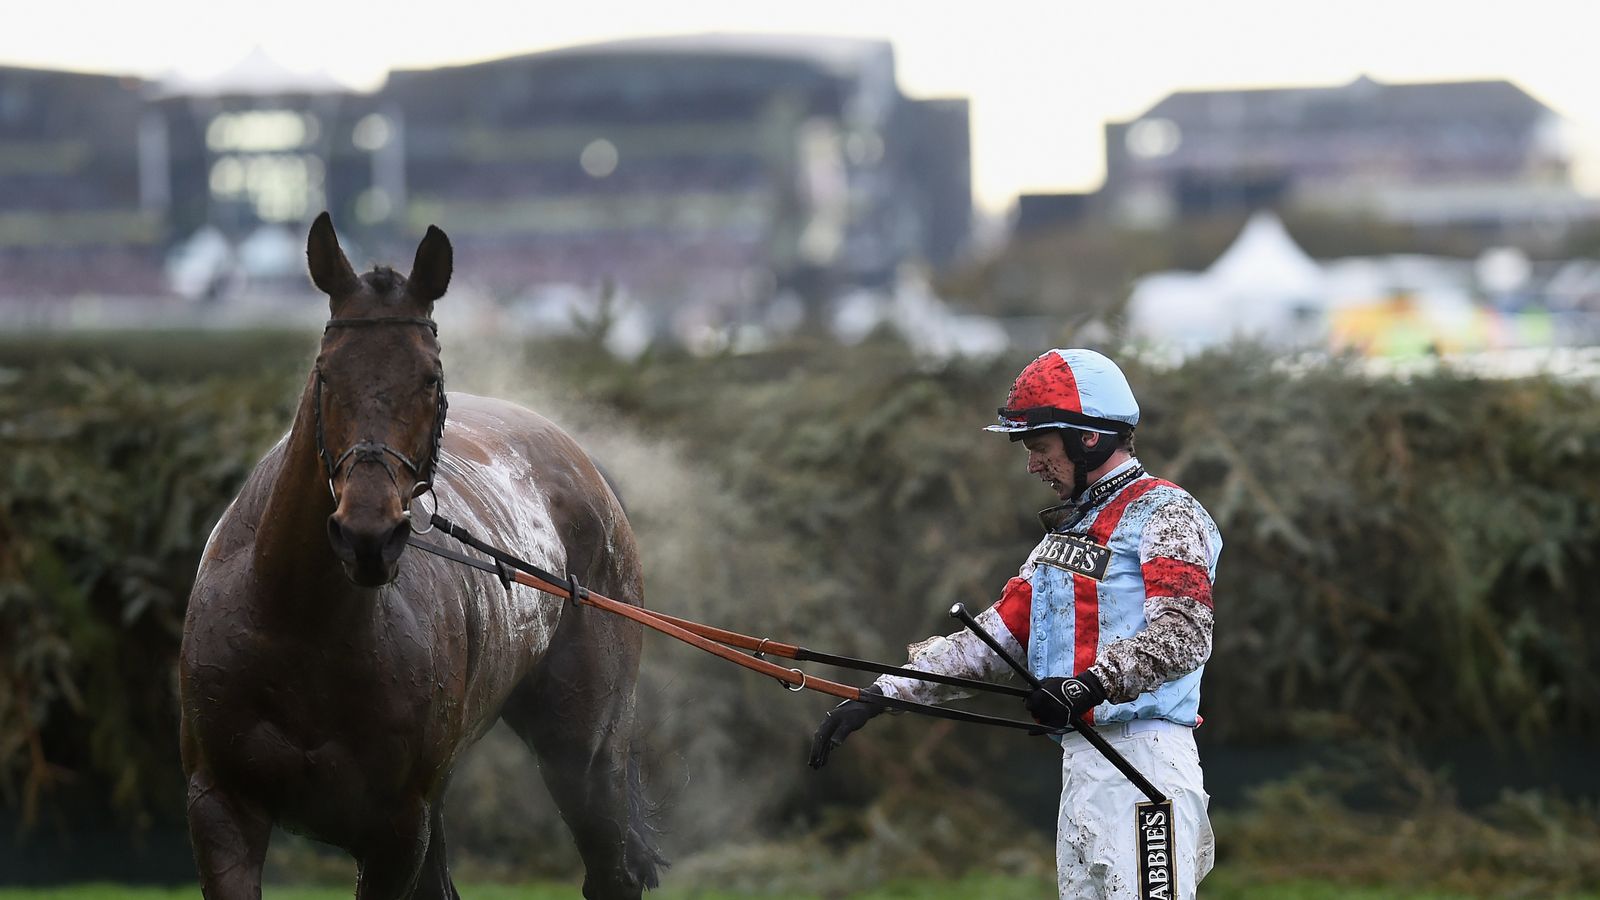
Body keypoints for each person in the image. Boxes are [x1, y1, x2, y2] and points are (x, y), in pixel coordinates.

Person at [809, 348, 1220, 900]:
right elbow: (992, 638)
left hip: (1145, 764)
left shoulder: (1168, 513)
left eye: (1041, 447)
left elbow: (1184, 632)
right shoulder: (1059, 542)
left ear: (1088, 437)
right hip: (1082, 771)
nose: (1032, 464)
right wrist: (883, 693)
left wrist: (1086, 685)